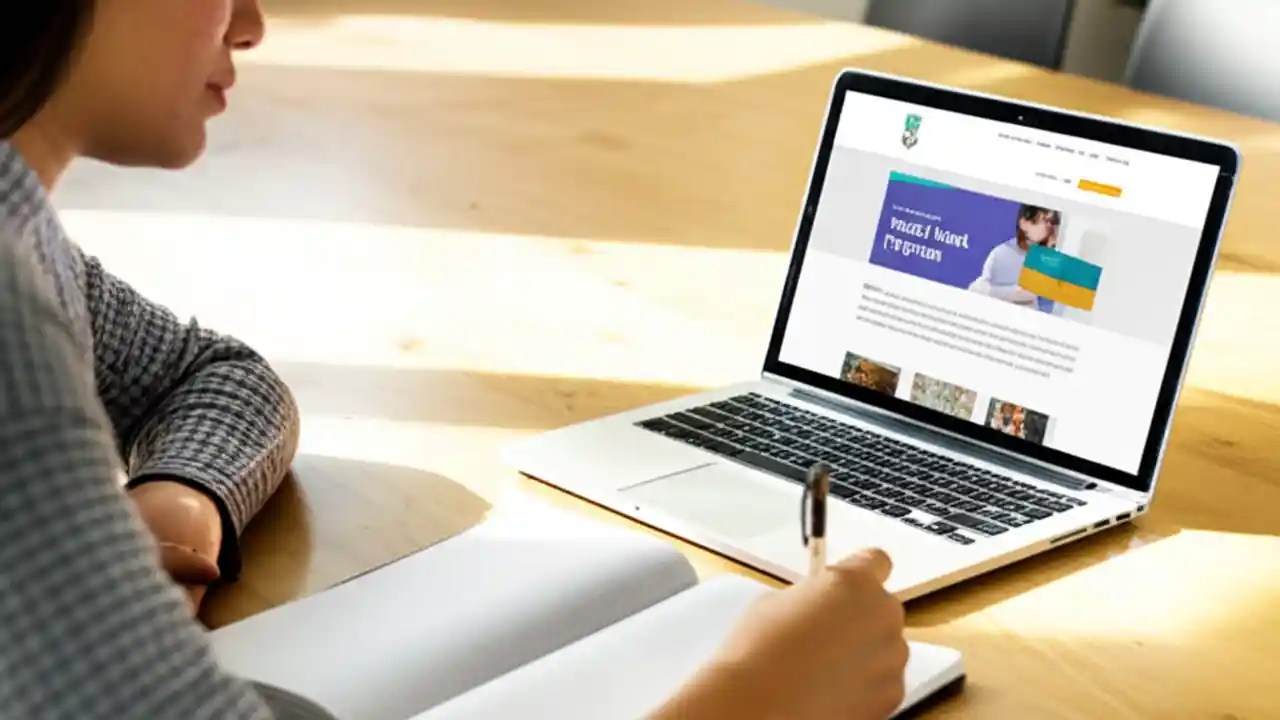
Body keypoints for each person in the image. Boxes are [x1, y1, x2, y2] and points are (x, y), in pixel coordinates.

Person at [0, 2, 907, 719]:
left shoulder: (27, 236)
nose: (251, 21)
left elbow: (210, 376)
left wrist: (180, 500)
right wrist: (761, 700)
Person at [969, 203, 1061, 313]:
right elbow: (978, 289)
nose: (1049, 228)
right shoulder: (1001, 254)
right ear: (1024, 223)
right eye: (1044, 221)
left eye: (1051, 222)